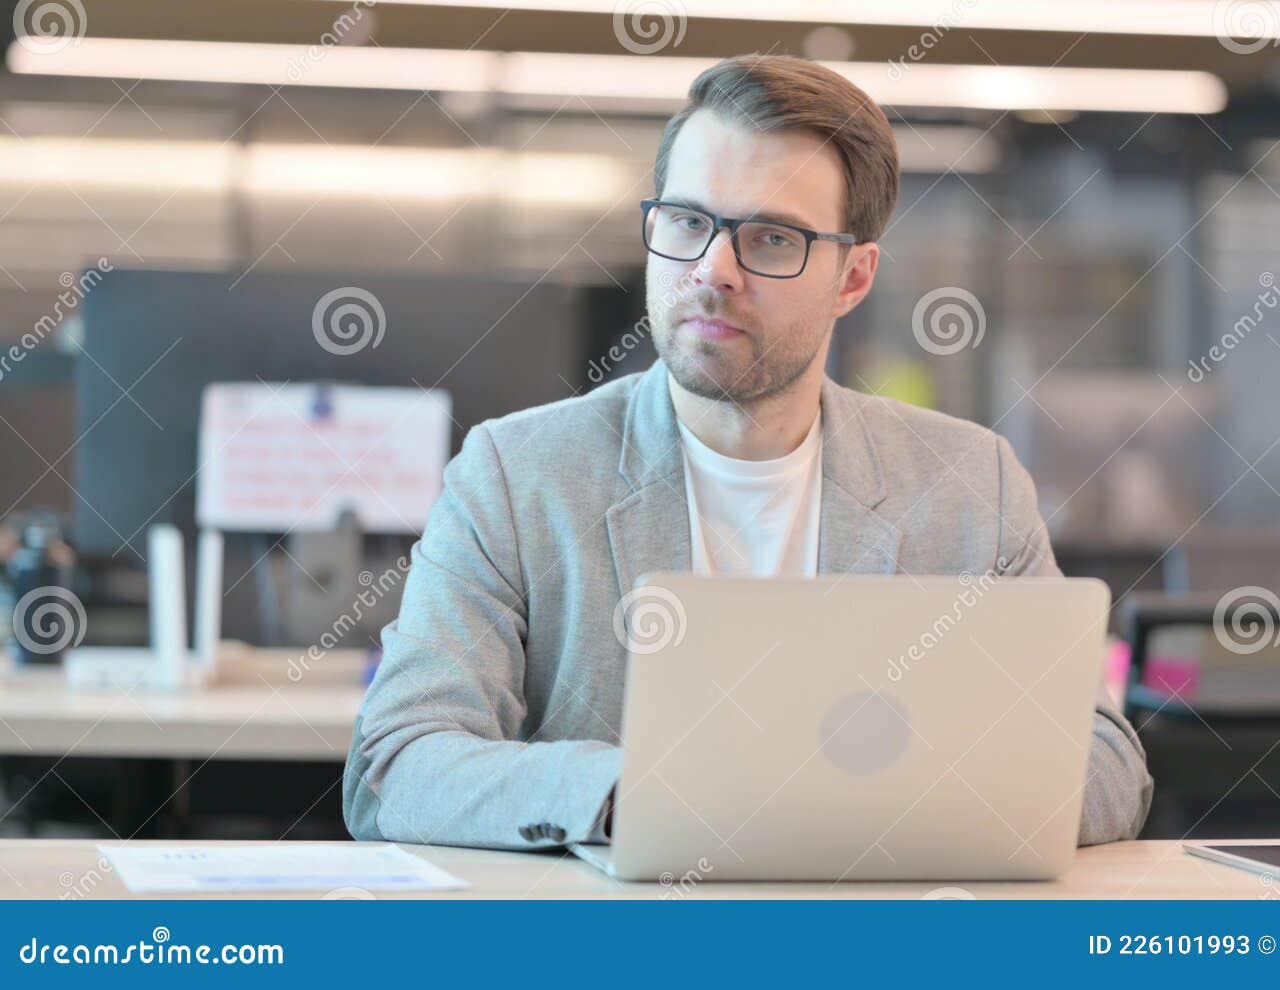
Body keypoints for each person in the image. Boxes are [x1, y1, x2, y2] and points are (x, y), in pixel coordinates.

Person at [343, 53, 1152, 851]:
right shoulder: (518, 476)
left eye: (771, 238)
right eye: (689, 222)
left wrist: (873, 807)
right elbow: (396, 767)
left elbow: (1108, 762)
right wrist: (640, 794)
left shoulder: (970, 485)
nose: (713, 270)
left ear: (853, 278)